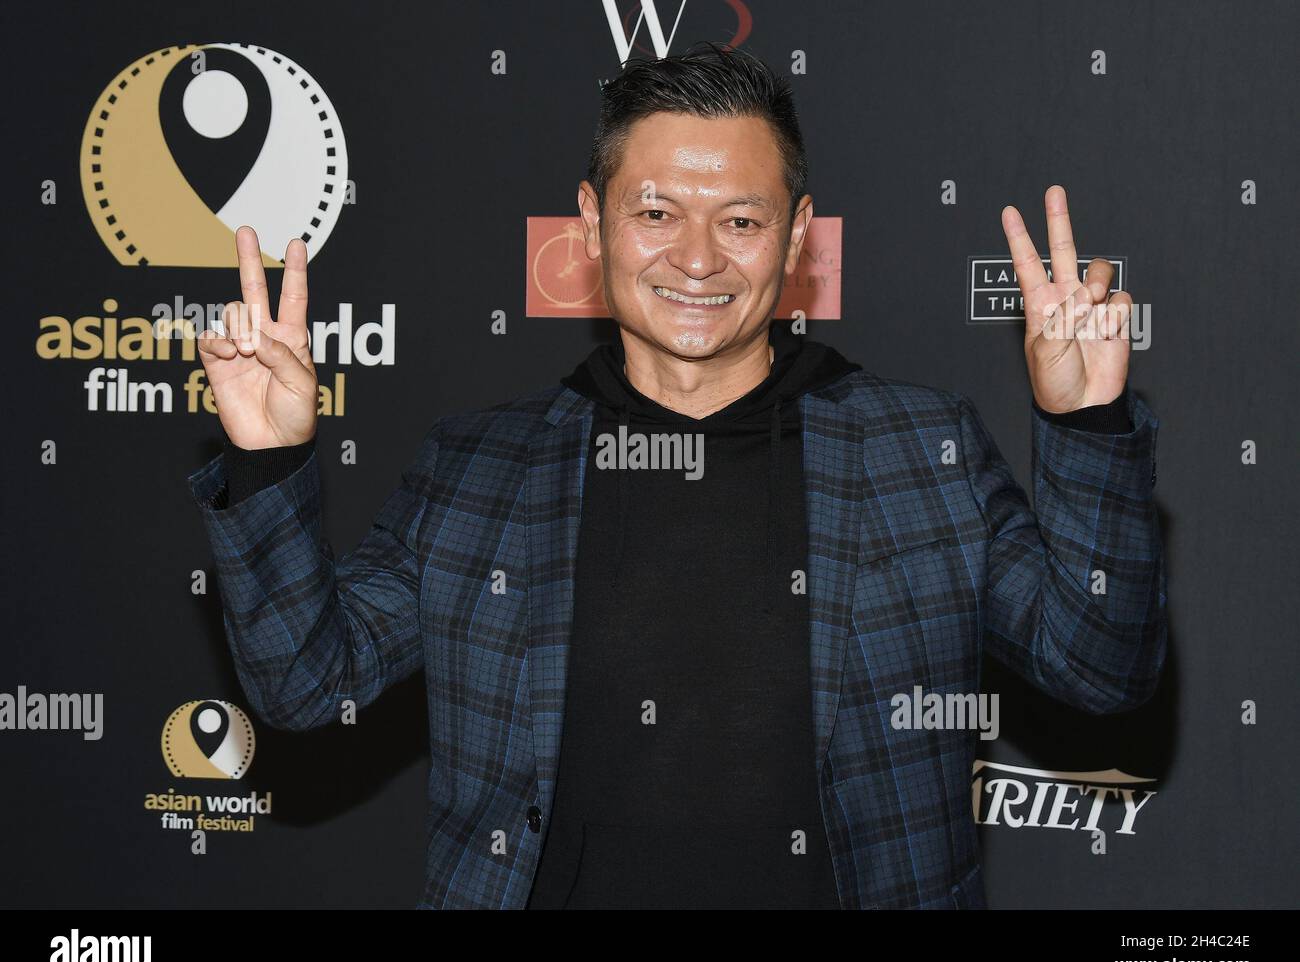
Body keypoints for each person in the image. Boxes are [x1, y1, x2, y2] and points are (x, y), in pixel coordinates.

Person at [189, 44, 1165, 909]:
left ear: (794, 238)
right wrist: (269, 461)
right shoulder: (478, 466)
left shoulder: (922, 450)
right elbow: (308, 686)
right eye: (654, 212)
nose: (696, 258)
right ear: (591, 223)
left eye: (740, 220)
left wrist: (1085, 425)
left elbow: (1101, 668)